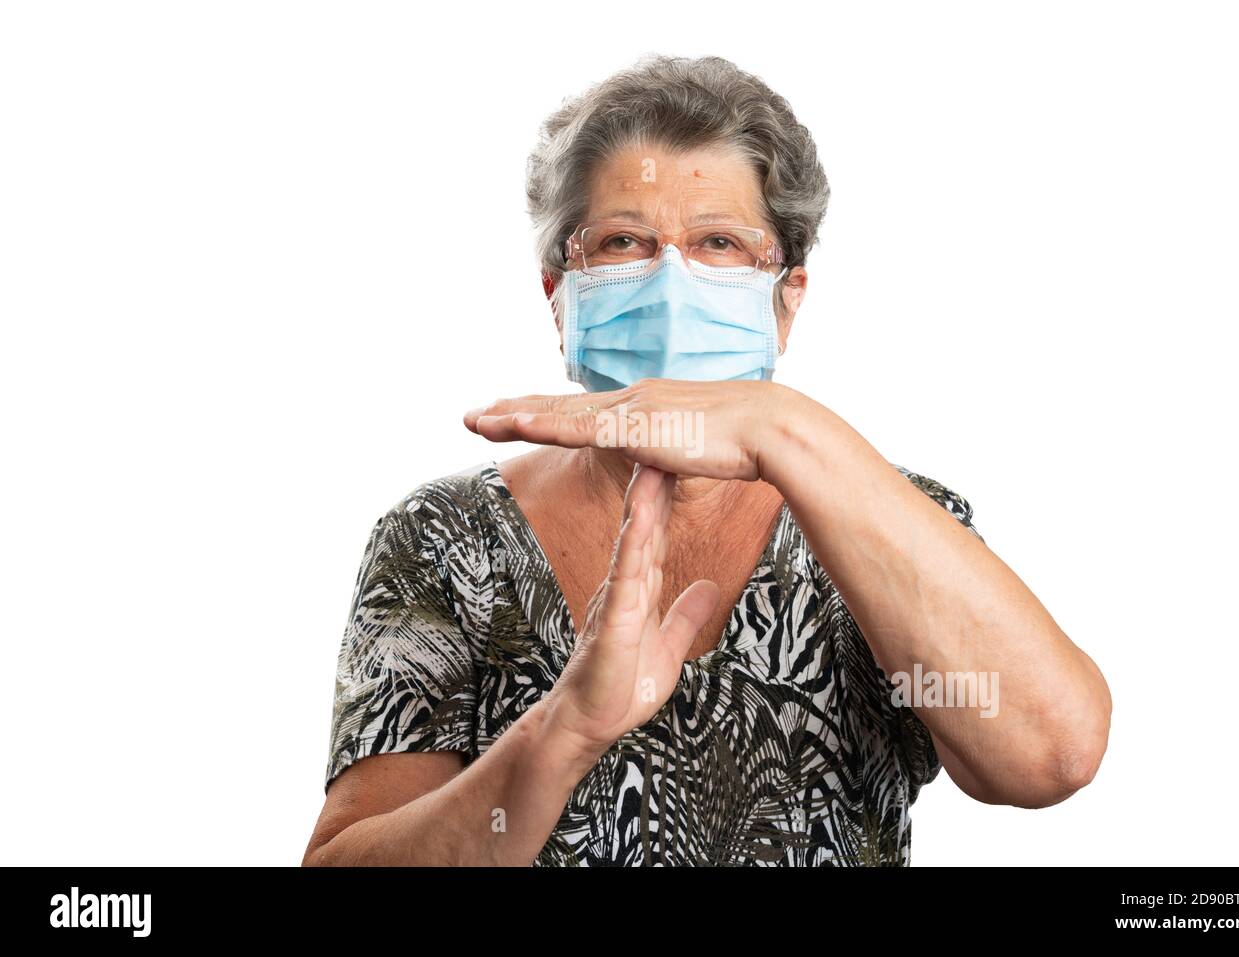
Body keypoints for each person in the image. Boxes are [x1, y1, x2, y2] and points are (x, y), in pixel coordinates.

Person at [302, 53, 1111, 867]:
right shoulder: (447, 542)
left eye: (720, 243)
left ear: (787, 299)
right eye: (624, 241)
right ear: (558, 294)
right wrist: (562, 730)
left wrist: (783, 432)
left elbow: (1053, 755)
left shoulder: (891, 519)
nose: (670, 282)